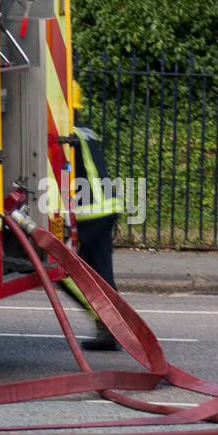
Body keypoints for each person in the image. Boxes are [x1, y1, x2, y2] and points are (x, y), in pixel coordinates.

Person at [65, 82, 123, 351]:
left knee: (65, 272)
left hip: (91, 212)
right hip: (106, 209)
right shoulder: (86, 130)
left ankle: (109, 324)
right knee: (101, 274)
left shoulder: (68, 135)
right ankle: (114, 328)